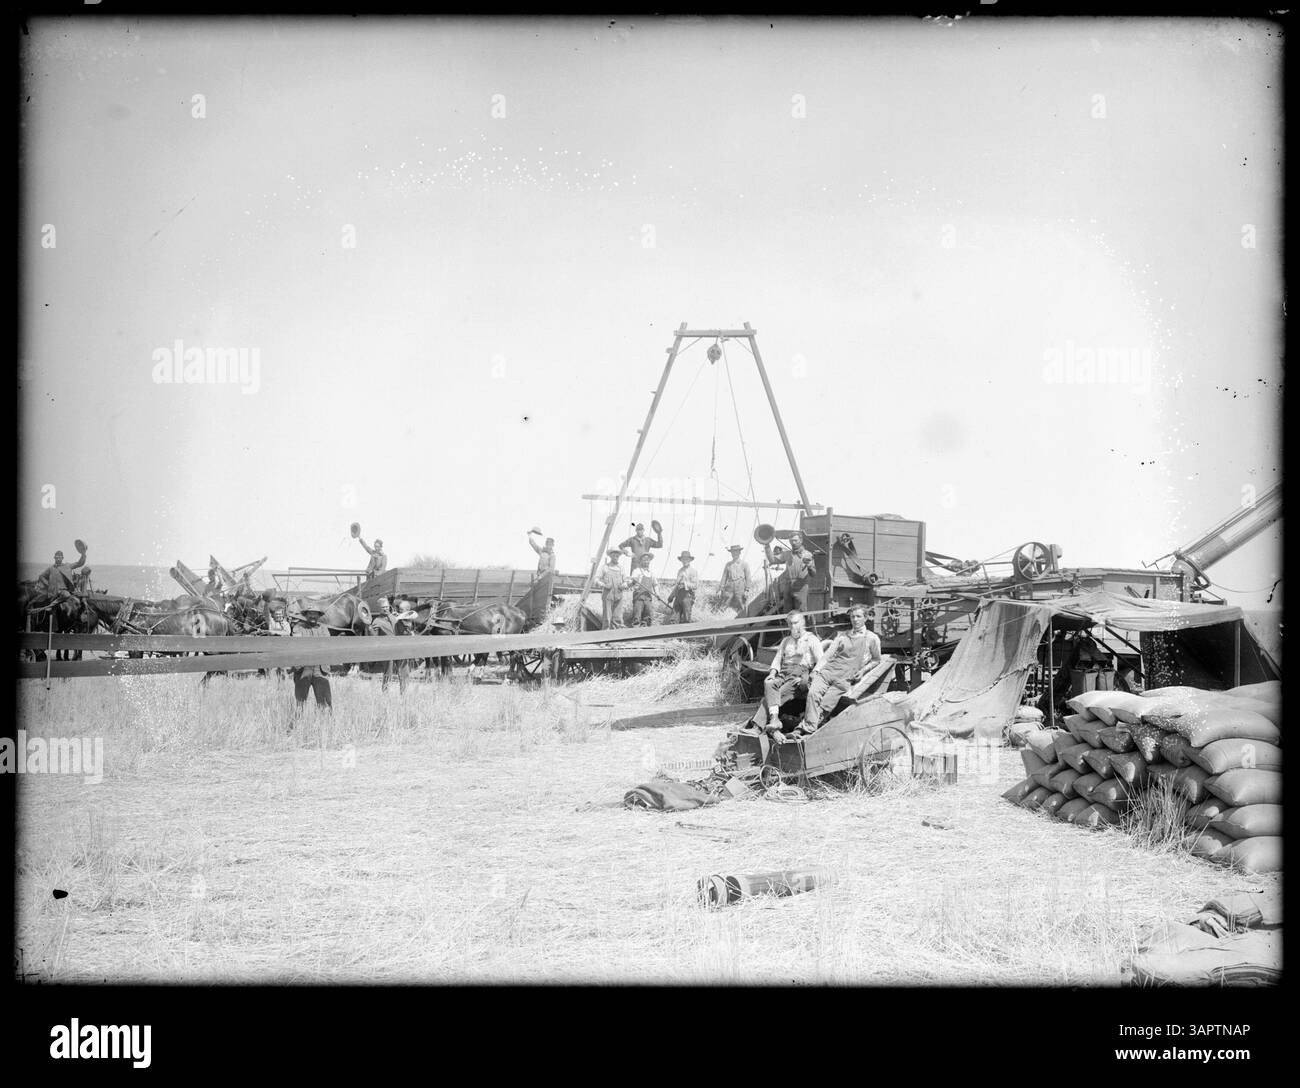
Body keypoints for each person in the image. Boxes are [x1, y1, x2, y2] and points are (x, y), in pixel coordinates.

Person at [800, 605, 883, 734]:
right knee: (812, 694)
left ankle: (804, 729)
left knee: (826, 704)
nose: (855, 620)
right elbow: (827, 656)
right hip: (828, 671)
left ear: (866, 618)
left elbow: (877, 660)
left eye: (858, 616)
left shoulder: (872, 638)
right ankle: (807, 728)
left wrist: (863, 671)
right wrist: (816, 670)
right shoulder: (842, 635)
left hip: (845, 677)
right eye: (852, 617)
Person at [752, 611, 824, 735]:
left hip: (798, 677)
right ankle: (773, 720)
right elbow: (777, 659)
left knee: (773, 696)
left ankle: (758, 727)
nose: (793, 626)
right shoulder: (786, 641)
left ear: (802, 622)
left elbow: (822, 662)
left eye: (796, 623)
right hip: (783, 674)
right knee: (769, 684)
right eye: (790, 624)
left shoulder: (812, 640)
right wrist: (772, 673)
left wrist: (807, 679)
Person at [289, 605, 333, 719]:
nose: (313, 616)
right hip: (303, 669)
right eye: (310, 613)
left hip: (320, 668)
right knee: (300, 701)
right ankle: (297, 725)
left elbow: (327, 646)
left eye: (315, 613)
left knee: (325, 701)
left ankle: (326, 725)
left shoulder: (324, 629)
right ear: (306, 615)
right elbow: (298, 645)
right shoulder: (298, 628)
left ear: (319, 615)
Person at [765, 531, 815, 612]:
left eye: (796, 540)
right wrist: (767, 545)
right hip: (788, 587)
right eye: (791, 541)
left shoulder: (808, 554)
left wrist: (810, 567)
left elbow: (813, 574)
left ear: (801, 541)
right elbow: (772, 560)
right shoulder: (787, 554)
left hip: (801, 587)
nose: (793, 543)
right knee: (787, 613)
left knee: (801, 612)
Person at [596, 548, 626, 629]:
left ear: (619, 556)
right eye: (614, 555)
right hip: (608, 595)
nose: (616, 556)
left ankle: (617, 635)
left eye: (617, 555)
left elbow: (626, 580)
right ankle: (606, 635)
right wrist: (604, 585)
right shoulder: (605, 567)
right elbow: (596, 579)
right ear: (610, 556)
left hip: (619, 594)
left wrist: (624, 585)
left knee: (617, 616)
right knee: (607, 616)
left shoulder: (621, 568)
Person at [668, 550, 699, 623]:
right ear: (681, 560)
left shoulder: (693, 571)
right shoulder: (680, 571)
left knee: (686, 618)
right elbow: (677, 585)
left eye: (686, 559)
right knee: (674, 618)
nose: (685, 561)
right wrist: (671, 596)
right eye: (683, 559)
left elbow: (695, 586)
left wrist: (685, 583)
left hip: (687, 596)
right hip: (678, 596)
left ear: (690, 560)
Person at [718, 545, 752, 612]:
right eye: (733, 552)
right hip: (729, 587)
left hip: (740, 587)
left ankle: (745, 620)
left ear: (739, 552)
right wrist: (720, 589)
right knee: (724, 604)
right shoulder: (728, 564)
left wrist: (747, 590)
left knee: (742, 605)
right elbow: (724, 577)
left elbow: (748, 578)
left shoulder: (744, 564)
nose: (734, 554)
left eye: (736, 552)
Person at [629, 553, 658, 627]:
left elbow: (655, 584)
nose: (646, 562)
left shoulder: (651, 573)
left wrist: (657, 594)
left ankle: (645, 634)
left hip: (648, 598)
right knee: (637, 616)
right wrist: (633, 581)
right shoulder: (636, 571)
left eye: (648, 560)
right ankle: (635, 633)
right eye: (644, 560)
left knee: (647, 616)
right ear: (641, 561)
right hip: (638, 597)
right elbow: (631, 582)